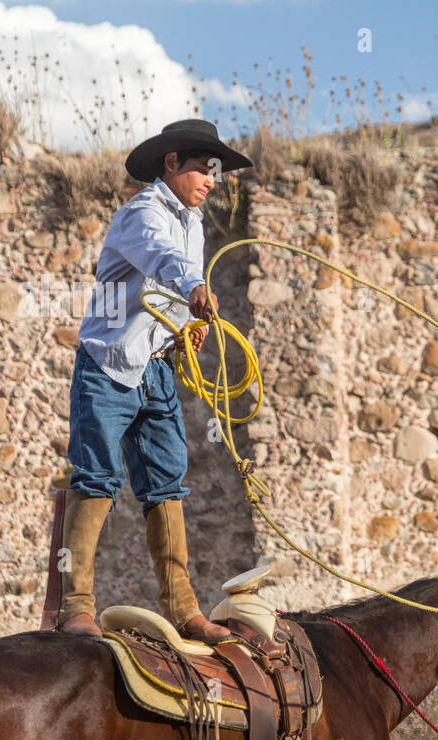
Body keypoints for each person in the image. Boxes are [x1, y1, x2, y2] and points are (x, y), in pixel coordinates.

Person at [55, 119, 253, 640]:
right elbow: (162, 261)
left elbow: (170, 285)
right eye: (203, 170)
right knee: (96, 479)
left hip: (157, 367)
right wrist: (194, 286)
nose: (211, 181)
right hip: (108, 365)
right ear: (172, 164)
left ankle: (183, 609)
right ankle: (75, 608)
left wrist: (189, 325)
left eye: (216, 173)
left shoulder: (193, 221)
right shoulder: (142, 213)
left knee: (167, 484)